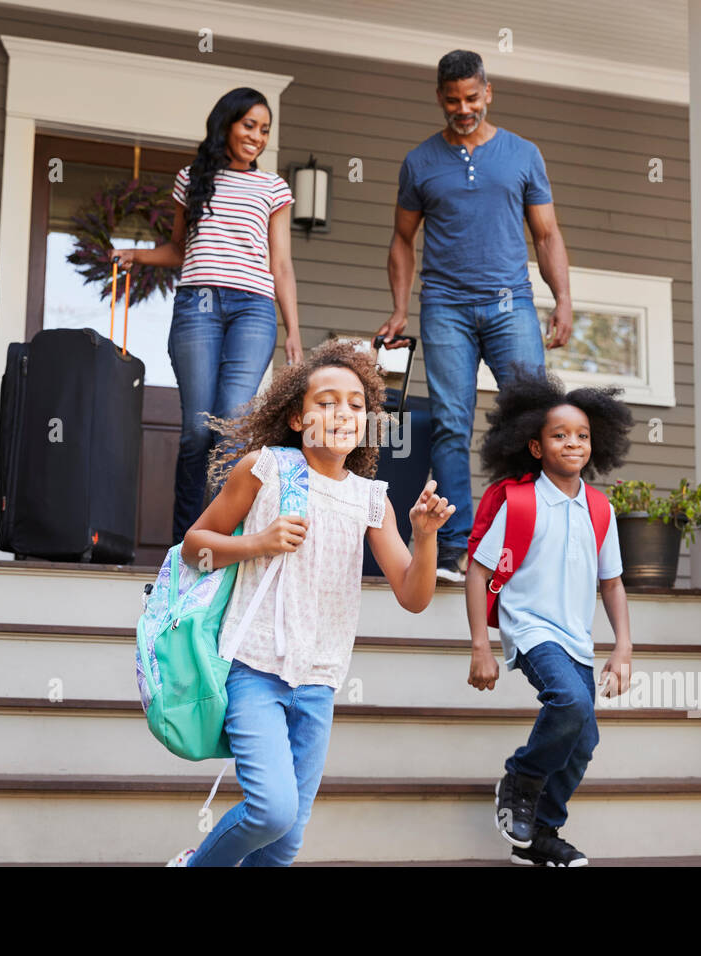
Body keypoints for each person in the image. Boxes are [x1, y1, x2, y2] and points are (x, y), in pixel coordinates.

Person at [165, 340, 454, 867]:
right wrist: (256, 543)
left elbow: (414, 597)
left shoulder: (371, 499)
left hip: (319, 680)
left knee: (286, 842)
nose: (341, 412)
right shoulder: (265, 468)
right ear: (297, 417)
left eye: (355, 403)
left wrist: (425, 536)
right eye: (325, 401)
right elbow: (194, 548)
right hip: (254, 668)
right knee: (271, 812)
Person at [376, 49, 576, 583]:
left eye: (471, 98)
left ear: (488, 92)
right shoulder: (420, 162)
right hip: (444, 305)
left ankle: (532, 540)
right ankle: (458, 548)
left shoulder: (522, 154)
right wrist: (400, 308)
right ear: (440, 98)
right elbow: (402, 238)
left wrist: (562, 299)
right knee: (449, 424)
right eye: (452, 100)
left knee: (533, 419)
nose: (463, 108)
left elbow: (547, 234)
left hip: (511, 301)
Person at [111, 87, 304, 545]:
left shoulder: (273, 187)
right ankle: (186, 544)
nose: (256, 137)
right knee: (198, 430)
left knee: (231, 430)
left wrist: (293, 329)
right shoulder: (191, 179)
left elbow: (280, 264)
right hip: (198, 305)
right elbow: (179, 250)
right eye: (249, 126)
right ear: (227, 124)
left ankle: (222, 540)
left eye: (264, 130)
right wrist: (135, 255)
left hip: (253, 310)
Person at [465, 365, 634, 866]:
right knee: (568, 703)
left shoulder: (599, 509)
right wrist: (481, 646)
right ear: (535, 447)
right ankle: (519, 779)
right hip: (532, 629)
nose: (573, 443)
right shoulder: (519, 502)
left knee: (583, 740)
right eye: (559, 435)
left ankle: (540, 835)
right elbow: (479, 573)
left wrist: (623, 646)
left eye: (582, 435)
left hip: (577, 637)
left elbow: (612, 584)